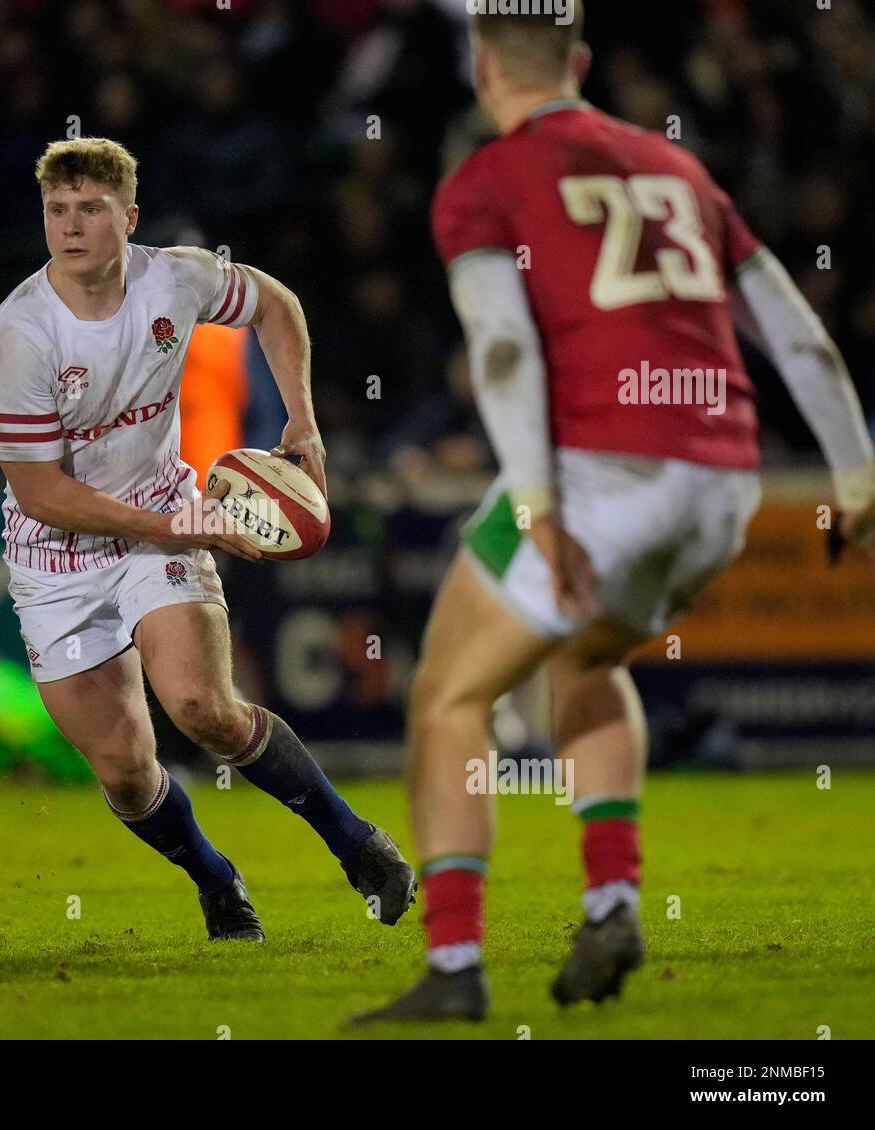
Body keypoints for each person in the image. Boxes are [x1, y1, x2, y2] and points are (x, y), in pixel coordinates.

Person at [357, 3, 875, 1022]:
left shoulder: (484, 181)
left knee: (446, 700)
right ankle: (611, 901)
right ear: (579, 63)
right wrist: (856, 476)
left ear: (480, 70)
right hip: (725, 485)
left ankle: (455, 967)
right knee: (587, 657)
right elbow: (798, 335)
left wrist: (542, 508)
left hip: (602, 478)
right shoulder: (679, 170)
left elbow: (502, 353)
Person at [0, 137, 415, 942]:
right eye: (57, 210)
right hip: (56, 554)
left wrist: (303, 419)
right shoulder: (16, 334)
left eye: (90, 209)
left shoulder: (173, 277)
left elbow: (276, 303)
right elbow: (43, 493)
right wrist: (175, 523)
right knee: (127, 773)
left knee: (203, 707)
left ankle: (358, 844)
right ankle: (215, 878)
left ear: (128, 217)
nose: (70, 227)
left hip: (156, 515)